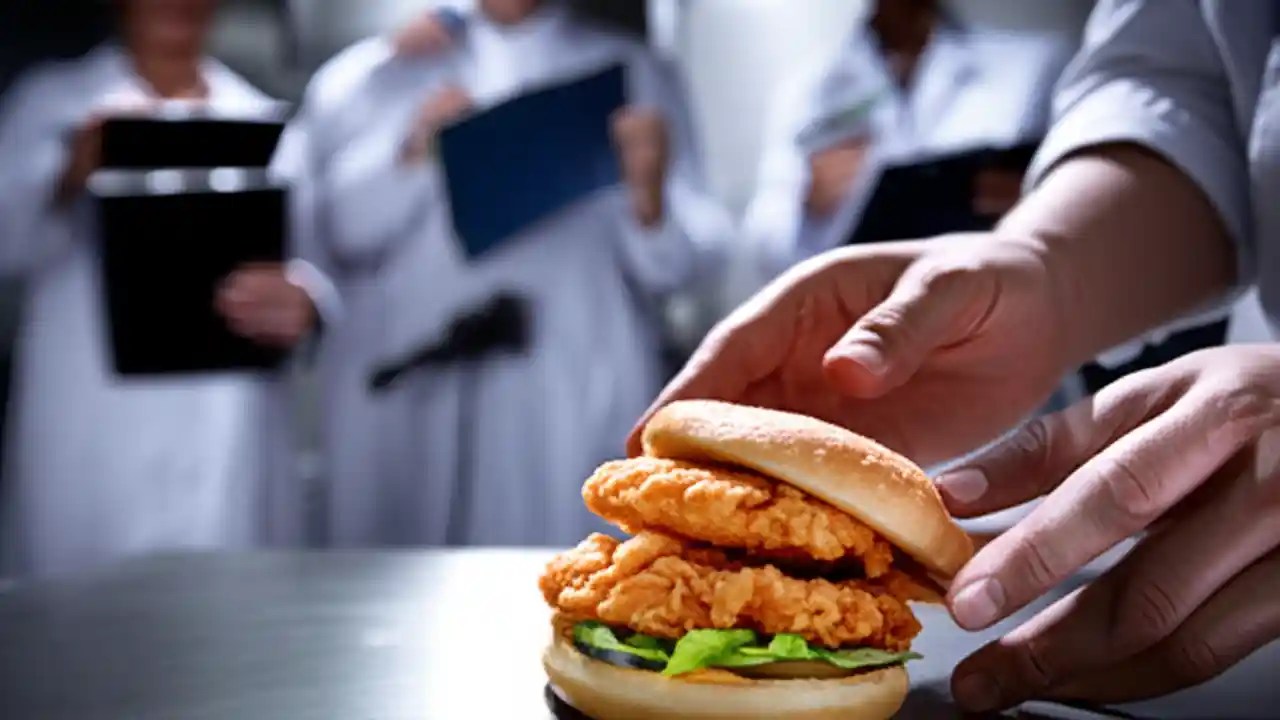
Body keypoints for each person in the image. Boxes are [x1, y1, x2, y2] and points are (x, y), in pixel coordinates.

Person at [632, 0, 1280, 712]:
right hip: (921, 377)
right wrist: (1048, 268)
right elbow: (1189, 82)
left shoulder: (1021, 59)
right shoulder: (814, 82)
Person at [277, 0, 729, 547]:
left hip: (569, 385)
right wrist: (415, 149)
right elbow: (329, 240)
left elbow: (687, 264)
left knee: (561, 563)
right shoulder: (376, 74)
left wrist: (649, 198)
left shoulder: (636, 73)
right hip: (417, 396)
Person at [0, 0, 329, 578]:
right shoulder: (51, 106)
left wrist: (306, 301)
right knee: (83, 610)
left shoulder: (262, 121)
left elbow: (321, 267)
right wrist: (67, 172)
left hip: (226, 428)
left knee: (222, 604)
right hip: (92, 419)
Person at [744, 0, 1072, 283]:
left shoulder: (1033, 65)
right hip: (862, 306)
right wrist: (808, 206)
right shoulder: (809, 92)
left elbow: (1076, 209)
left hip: (989, 296)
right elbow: (764, 246)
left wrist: (1041, 199)